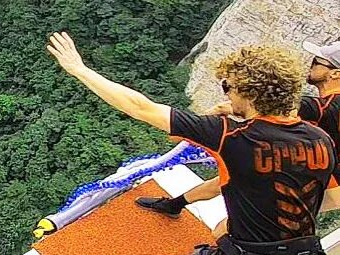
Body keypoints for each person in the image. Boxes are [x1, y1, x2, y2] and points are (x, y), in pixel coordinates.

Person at [47, 31, 340, 255]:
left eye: (228, 87)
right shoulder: (320, 140)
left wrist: (79, 69)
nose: (225, 92)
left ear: (247, 94)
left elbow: (140, 107)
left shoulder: (231, 136)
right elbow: (331, 196)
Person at [136, 40, 340, 221]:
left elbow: (275, 104)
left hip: (325, 183)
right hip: (316, 173)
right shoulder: (324, 106)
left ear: (335, 73)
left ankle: (223, 254)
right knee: (230, 179)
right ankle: (175, 205)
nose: (310, 64)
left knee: (238, 224)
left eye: (316, 61)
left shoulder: (324, 106)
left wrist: (217, 113)